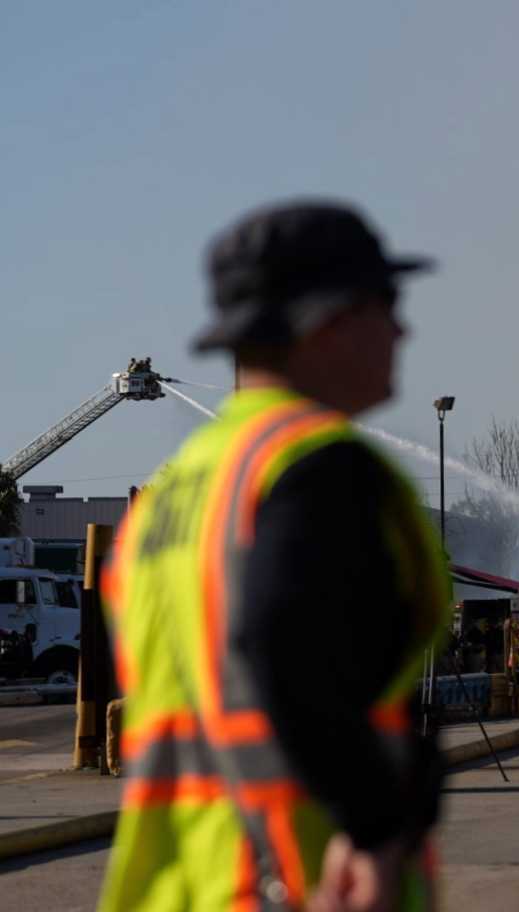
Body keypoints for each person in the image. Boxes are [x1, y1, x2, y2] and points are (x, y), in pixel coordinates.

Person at [99, 201, 450, 911]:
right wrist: (375, 825)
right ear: (328, 318)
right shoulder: (318, 469)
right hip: (302, 878)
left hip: (173, 885)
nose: (402, 329)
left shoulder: (174, 494)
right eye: (386, 304)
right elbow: (280, 648)